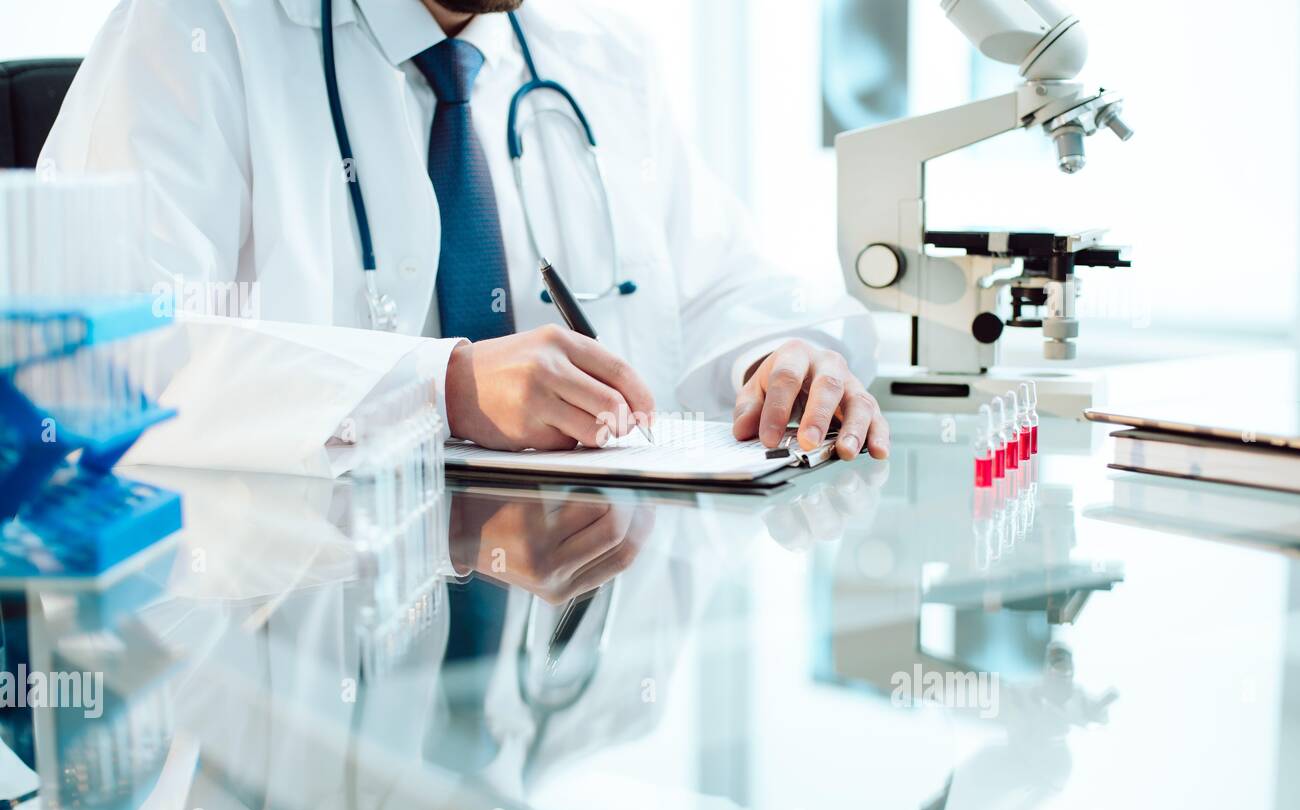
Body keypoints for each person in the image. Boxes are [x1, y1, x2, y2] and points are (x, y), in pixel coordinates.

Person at [40, 0, 890, 475]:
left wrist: (779, 359)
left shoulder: (599, 53)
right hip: (272, 633)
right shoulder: (194, 33)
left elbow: (713, 287)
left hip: (541, 628)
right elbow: (96, 361)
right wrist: (435, 389)